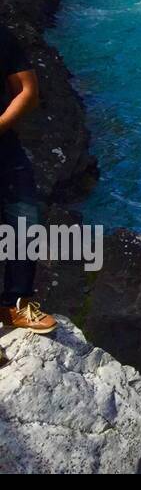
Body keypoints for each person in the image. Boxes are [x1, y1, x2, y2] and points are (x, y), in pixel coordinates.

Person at [0, 26, 56, 333]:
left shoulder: (3, 35)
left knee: (26, 222)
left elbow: (28, 92)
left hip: (6, 147)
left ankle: (17, 305)